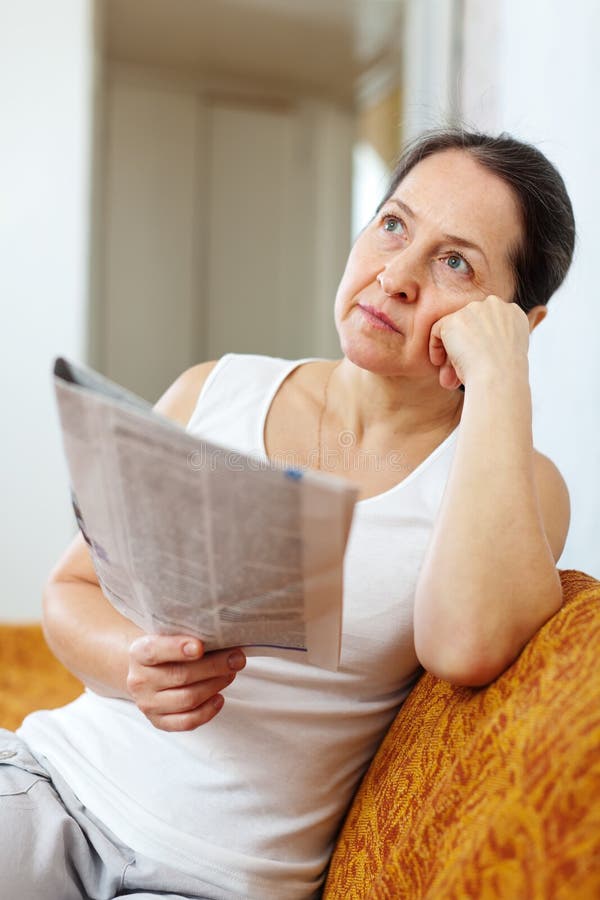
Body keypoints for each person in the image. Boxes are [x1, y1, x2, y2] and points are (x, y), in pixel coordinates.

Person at [1, 128, 575, 900]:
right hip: (51, 793)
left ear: (515, 320)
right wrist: (132, 667)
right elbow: (70, 590)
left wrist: (503, 380)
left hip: (220, 884)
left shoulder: (509, 480)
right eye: (394, 225)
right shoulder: (218, 389)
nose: (397, 275)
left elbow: (466, 646)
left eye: (455, 262)